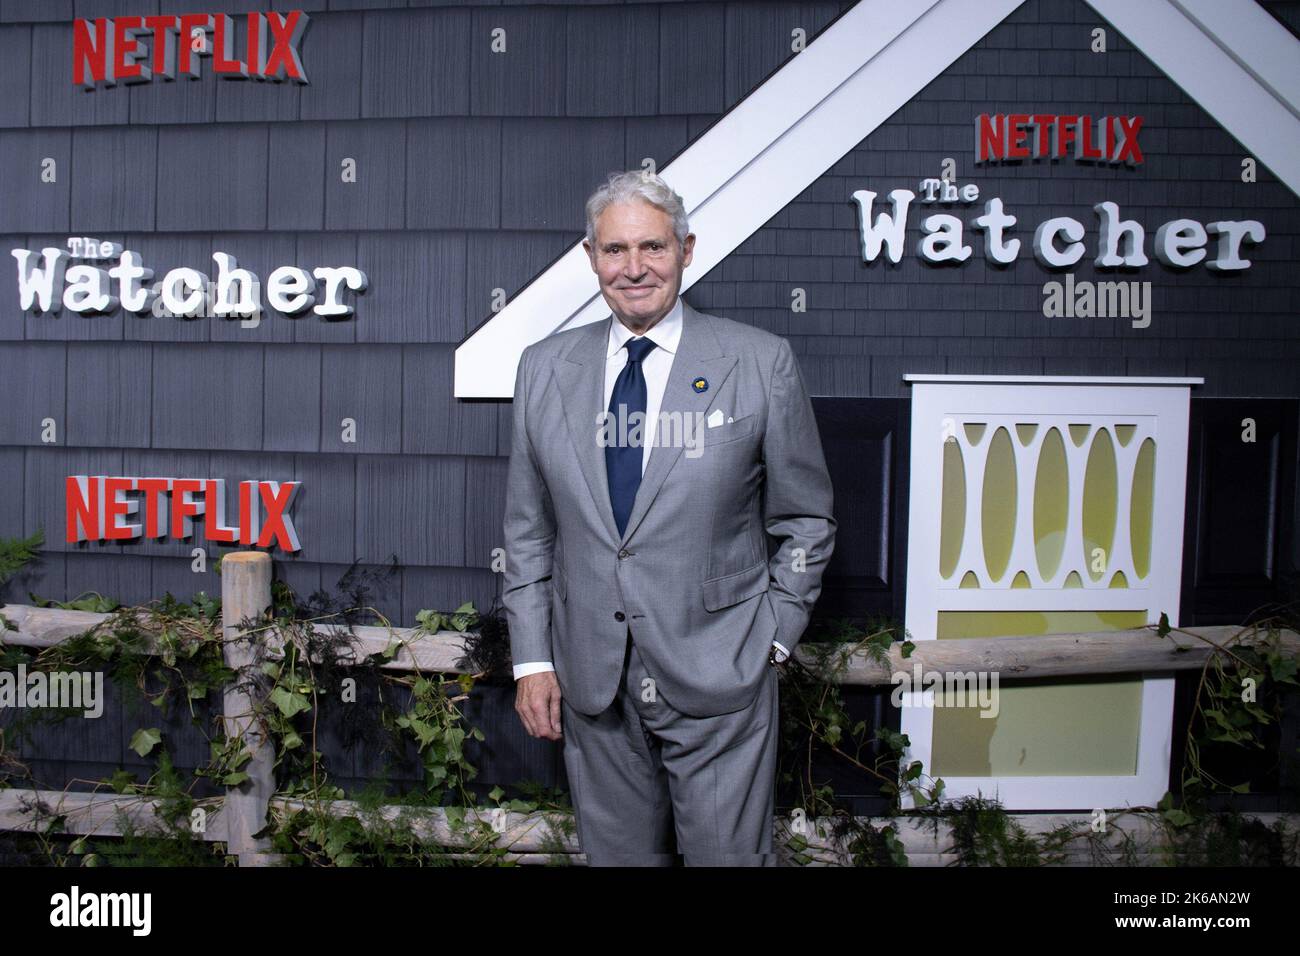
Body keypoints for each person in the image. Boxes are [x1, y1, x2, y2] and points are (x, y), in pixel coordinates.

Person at [502, 169, 835, 865]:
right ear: (590, 256)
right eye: (615, 250)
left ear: (687, 249)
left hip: (720, 669)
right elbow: (528, 533)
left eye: (652, 248)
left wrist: (772, 638)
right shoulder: (542, 368)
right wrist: (533, 659)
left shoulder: (759, 361)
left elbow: (806, 519)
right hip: (592, 679)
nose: (634, 269)